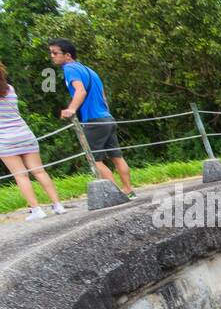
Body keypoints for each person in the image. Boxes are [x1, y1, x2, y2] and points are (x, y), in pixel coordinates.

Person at [47, 38, 135, 197]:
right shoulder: (90, 70)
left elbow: (80, 91)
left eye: (55, 53)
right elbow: (103, 96)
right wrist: (106, 115)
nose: (52, 56)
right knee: (117, 157)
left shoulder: (70, 69)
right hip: (107, 118)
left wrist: (70, 109)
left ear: (67, 55)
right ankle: (128, 190)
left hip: (94, 120)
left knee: (95, 160)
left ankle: (115, 195)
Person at [0, 61, 66, 220]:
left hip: (5, 139)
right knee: (39, 171)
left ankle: (37, 210)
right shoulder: (10, 89)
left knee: (21, 176)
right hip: (25, 133)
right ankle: (58, 205)